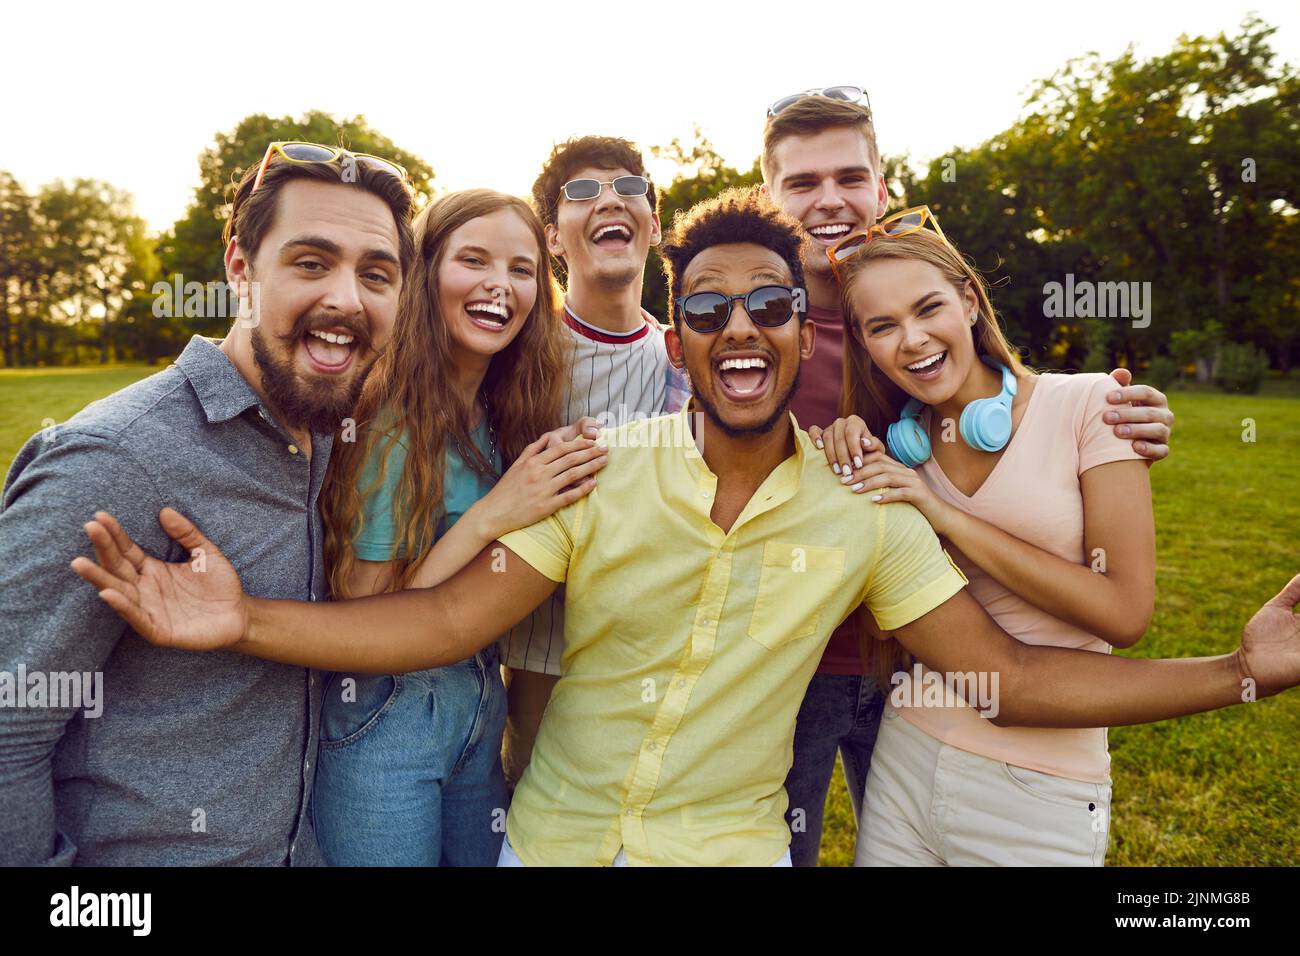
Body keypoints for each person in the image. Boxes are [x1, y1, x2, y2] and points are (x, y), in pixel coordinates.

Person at [69, 188, 1300, 868]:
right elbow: (445, 615)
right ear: (679, 334)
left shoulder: (865, 500)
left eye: (772, 301)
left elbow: (1019, 676)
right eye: (708, 307)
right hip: (546, 848)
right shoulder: (597, 471)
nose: (741, 327)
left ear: (802, 330)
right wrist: (247, 620)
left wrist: (1240, 676)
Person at [758, 88, 1178, 865]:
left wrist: (1121, 419)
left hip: (926, 658)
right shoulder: (752, 326)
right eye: (802, 183)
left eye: (850, 177)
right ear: (771, 197)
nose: (830, 200)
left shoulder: (917, 303)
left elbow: (1009, 396)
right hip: (802, 665)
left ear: (882, 187)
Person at [0, 140, 416, 864]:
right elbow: (9, 729)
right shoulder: (117, 458)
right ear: (239, 269)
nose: (347, 298)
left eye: (375, 274)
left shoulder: (325, 438)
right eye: (311, 263)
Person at [814, 205, 1155, 864]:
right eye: (882, 326)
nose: (911, 340)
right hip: (905, 760)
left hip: (1042, 789)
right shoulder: (896, 452)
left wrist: (945, 519)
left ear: (969, 300)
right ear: (864, 343)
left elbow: (1124, 612)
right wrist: (841, 457)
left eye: (928, 308)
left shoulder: (1093, 405)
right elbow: (888, 625)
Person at [309, 188, 605, 865]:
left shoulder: (502, 409)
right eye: (474, 260)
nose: (499, 285)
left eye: (522, 269)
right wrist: (496, 513)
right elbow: (363, 612)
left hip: (479, 697)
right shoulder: (389, 419)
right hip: (388, 715)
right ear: (426, 272)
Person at [499, 136, 687, 789]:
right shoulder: (518, 355)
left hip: (658, 655)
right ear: (552, 237)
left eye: (627, 189)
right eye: (582, 193)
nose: (609, 199)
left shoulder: (685, 356)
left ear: (654, 225)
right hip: (541, 658)